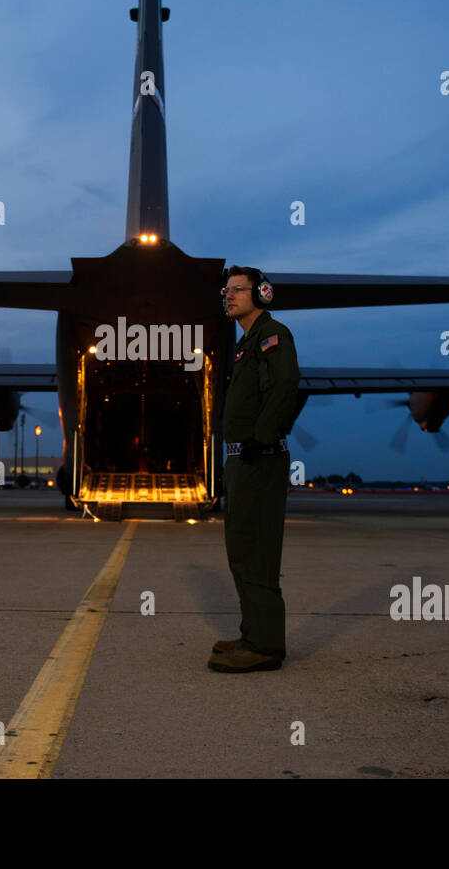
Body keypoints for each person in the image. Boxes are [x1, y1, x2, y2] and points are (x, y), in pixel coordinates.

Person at [208, 266, 300, 672]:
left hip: (259, 459)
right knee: (241, 549)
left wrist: (261, 438)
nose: (229, 296)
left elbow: (285, 386)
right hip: (243, 460)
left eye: (238, 290)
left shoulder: (273, 334)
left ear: (261, 294)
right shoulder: (247, 342)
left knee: (258, 550)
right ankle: (252, 633)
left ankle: (264, 645)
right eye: (226, 291)